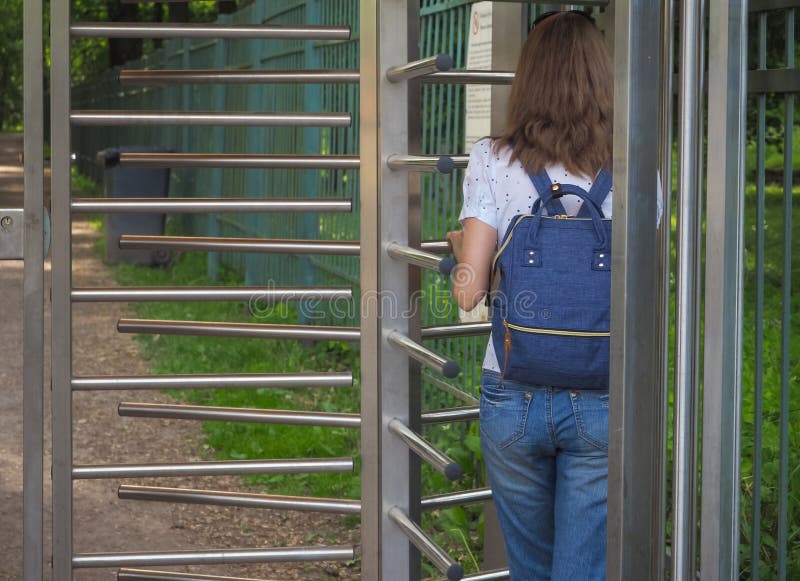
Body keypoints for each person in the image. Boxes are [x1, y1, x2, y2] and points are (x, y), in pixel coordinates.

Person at [448, 11, 615, 580]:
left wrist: (462, 253)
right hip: (603, 394)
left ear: (528, 78)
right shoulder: (639, 166)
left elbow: (467, 294)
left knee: (531, 572)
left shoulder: (494, 160)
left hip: (512, 391)